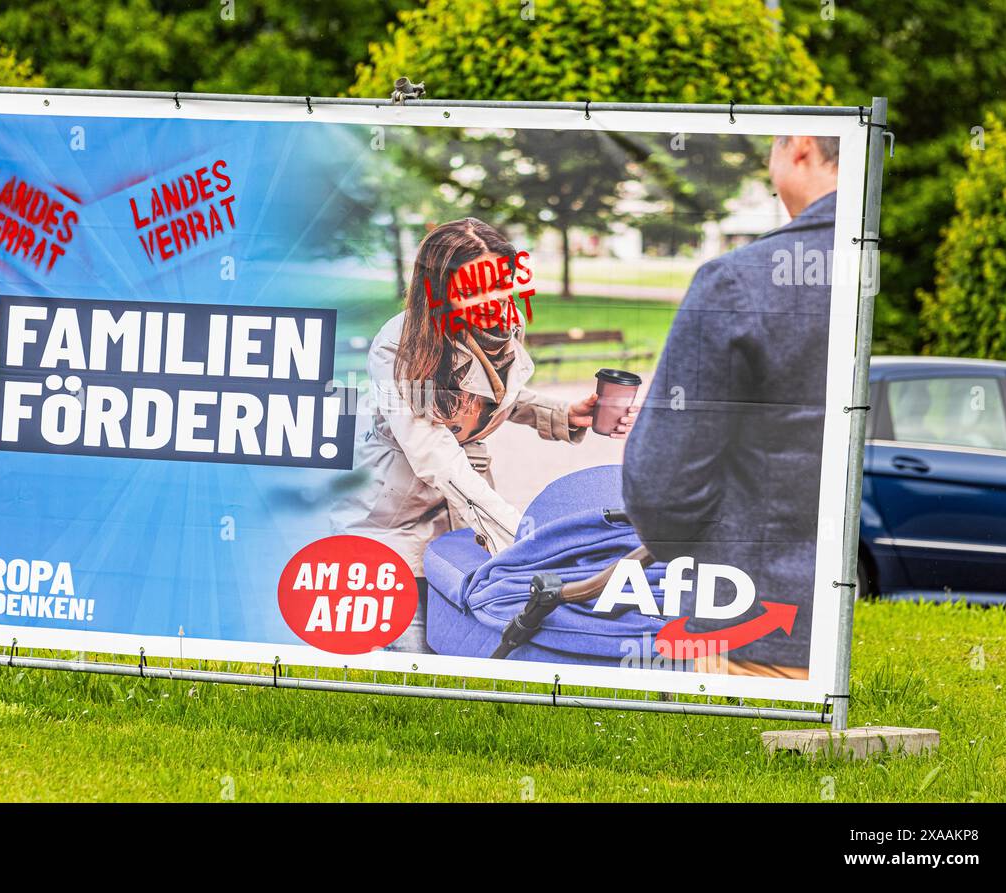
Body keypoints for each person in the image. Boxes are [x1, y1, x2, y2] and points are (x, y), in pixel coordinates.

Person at [331, 217, 636, 652]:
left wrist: (563, 413)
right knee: (412, 646)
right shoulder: (397, 347)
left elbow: (488, 392)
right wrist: (517, 536)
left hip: (464, 510)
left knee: (457, 641)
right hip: (393, 515)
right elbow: (434, 453)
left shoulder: (503, 326)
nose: (493, 296)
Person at [621, 134, 841, 677]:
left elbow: (661, 484)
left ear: (801, 149)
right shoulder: (880, 265)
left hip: (758, 627)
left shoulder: (741, 283)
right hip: (840, 621)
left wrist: (683, 552)